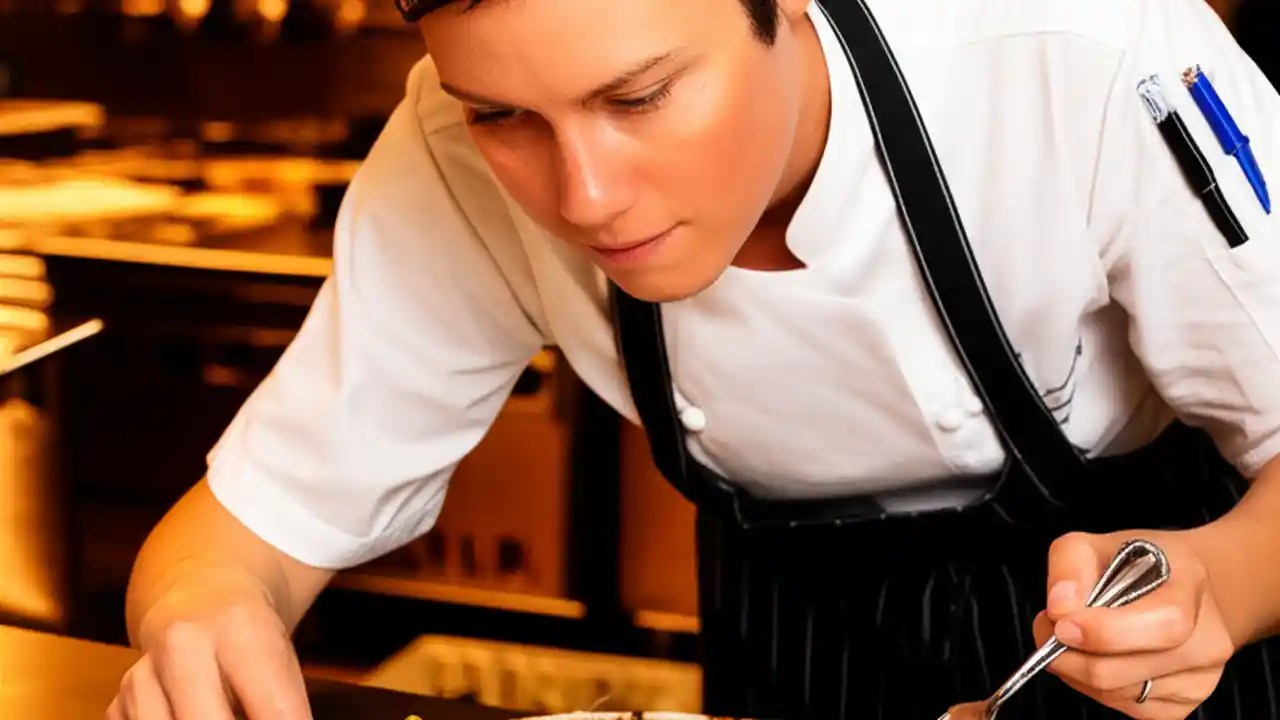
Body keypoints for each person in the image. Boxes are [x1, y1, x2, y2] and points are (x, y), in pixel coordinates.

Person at [108, 0, 1280, 718]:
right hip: (798, 651)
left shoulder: (1075, 51)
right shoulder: (445, 157)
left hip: (1144, 636)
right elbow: (243, 533)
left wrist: (1219, 586)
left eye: (640, 96)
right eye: (500, 115)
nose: (584, 196)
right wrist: (202, 617)